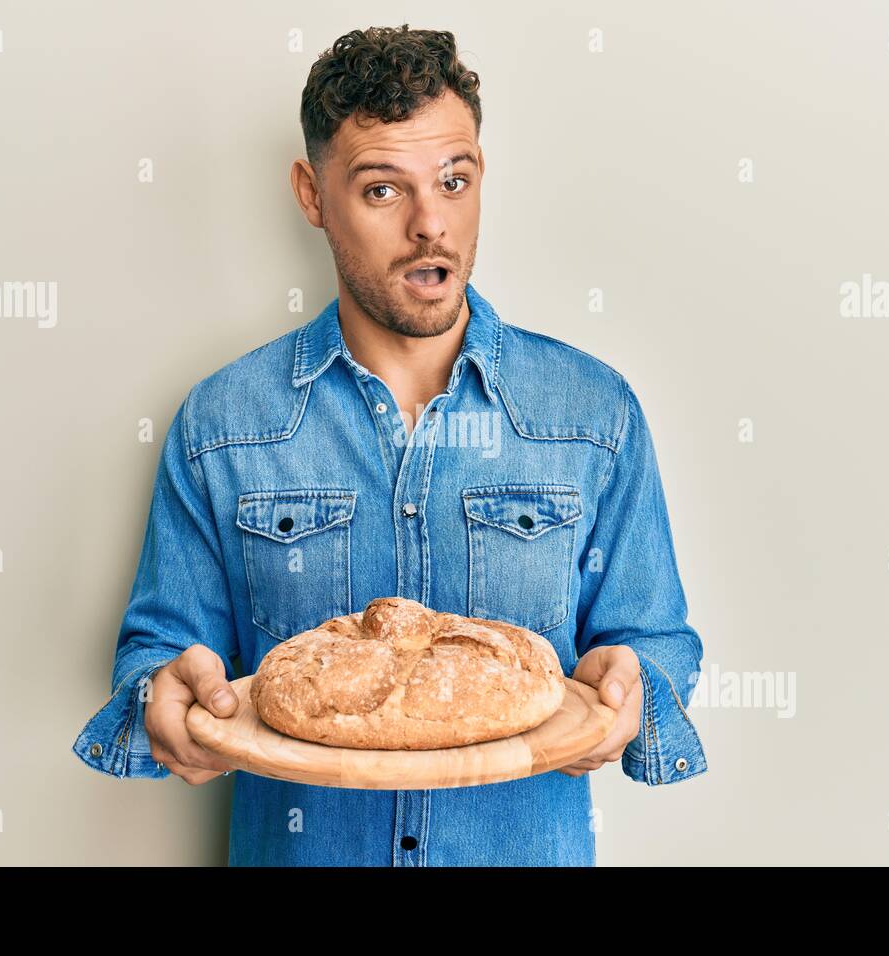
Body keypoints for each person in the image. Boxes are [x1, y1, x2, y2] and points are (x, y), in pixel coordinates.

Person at [72, 24, 707, 866]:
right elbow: (159, 649)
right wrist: (161, 693)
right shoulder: (224, 425)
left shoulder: (592, 412)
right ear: (311, 194)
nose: (429, 226)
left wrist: (637, 689)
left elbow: (657, 641)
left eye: (454, 180)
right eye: (382, 190)